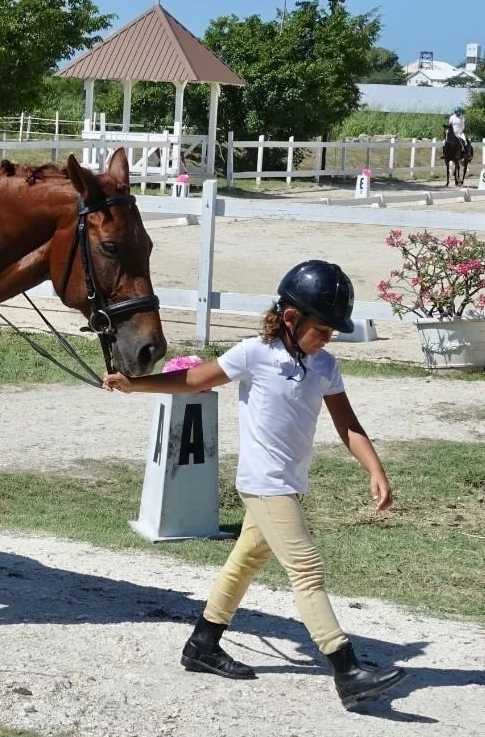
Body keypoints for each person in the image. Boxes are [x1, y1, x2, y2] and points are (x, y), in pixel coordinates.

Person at [103, 260, 407, 709]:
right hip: (264, 485)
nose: (328, 338)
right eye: (322, 329)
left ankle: (202, 645)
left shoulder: (324, 366)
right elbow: (193, 380)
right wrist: (136, 385)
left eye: (331, 332)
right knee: (306, 569)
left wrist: (375, 469)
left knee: (244, 562)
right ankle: (347, 670)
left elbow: (348, 424)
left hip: (289, 483)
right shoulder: (254, 354)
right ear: (290, 317)